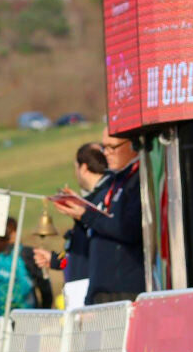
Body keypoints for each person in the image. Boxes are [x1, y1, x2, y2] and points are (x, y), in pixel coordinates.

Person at [53, 128, 144, 303]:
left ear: (132, 144)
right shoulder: (114, 181)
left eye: (112, 147)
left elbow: (127, 229)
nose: (106, 153)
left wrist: (86, 215)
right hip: (99, 292)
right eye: (104, 148)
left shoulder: (137, 180)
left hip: (125, 293)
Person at [34, 143, 110, 282]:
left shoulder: (104, 199)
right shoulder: (92, 202)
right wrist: (55, 261)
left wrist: (84, 213)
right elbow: (81, 257)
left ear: (84, 168)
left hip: (97, 288)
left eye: (76, 167)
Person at [0, 218, 49, 316]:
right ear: (14, 233)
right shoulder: (27, 254)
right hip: (28, 318)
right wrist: (44, 312)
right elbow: (45, 287)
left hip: (0, 318)